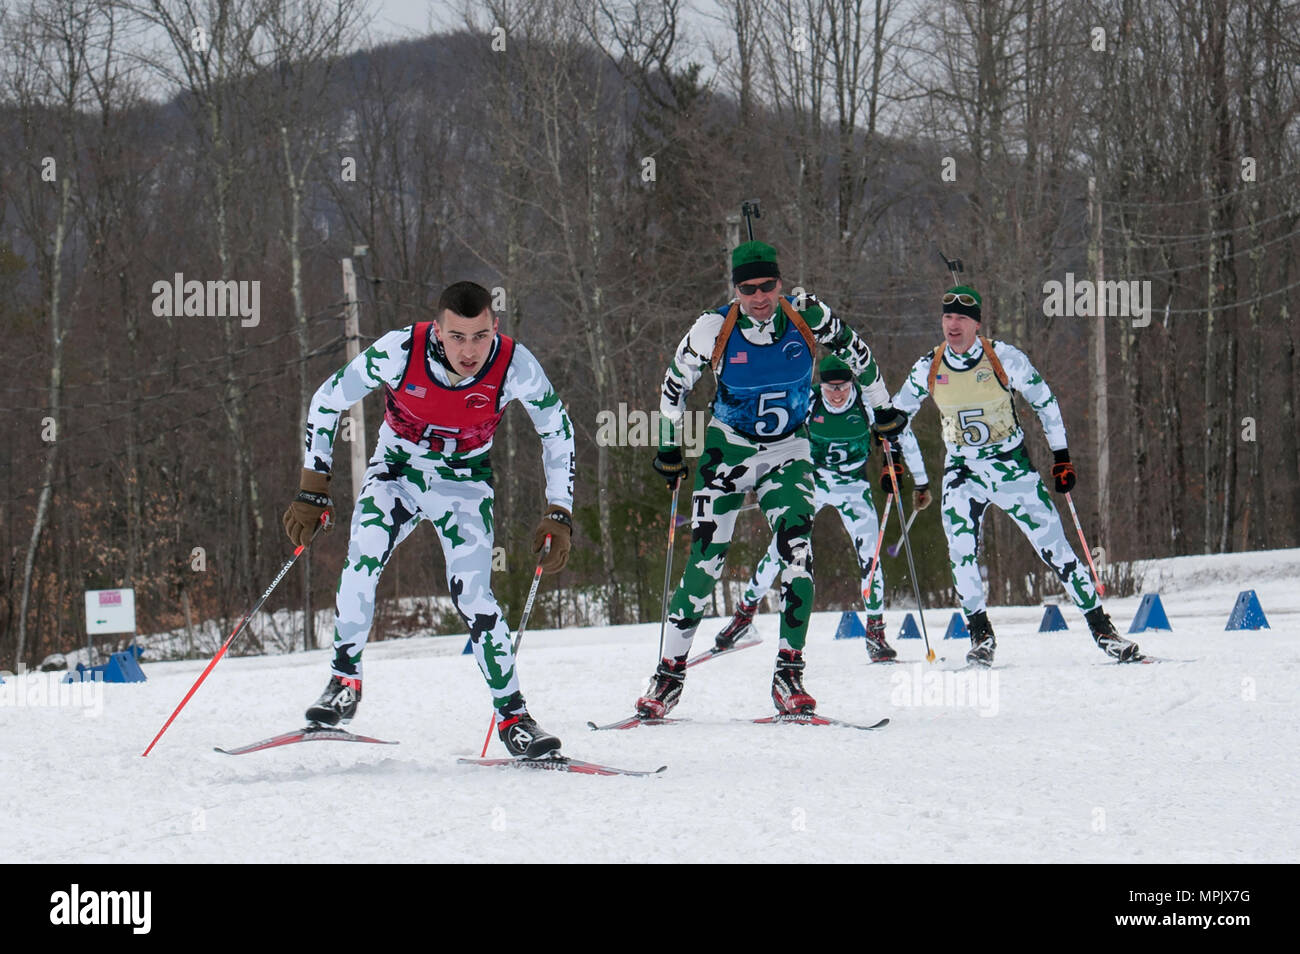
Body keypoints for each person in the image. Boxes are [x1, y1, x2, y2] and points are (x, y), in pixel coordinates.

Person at [282, 281, 576, 757]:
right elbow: (327, 399)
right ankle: (343, 681)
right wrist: (312, 486)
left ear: (495, 327)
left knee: (475, 595)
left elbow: (557, 431)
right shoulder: (400, 350)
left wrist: (559, 510)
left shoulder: (514, 365)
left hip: (464, 480)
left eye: (480, 336)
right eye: (457, 337)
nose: (469, 351)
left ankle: (514, 718)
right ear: (438, 330)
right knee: (361, 561)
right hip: (396, 471)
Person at [637, 241, 909, 718]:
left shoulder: (807, 316)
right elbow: (674, 385)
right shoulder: (713, 328)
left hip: (789, 449)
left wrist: (884, 411)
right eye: (748, 289)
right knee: (705, 565)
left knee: (797, 553)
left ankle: (789, 675)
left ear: (780, 283)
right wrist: (668, 445)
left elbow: (859, 355)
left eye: (767, 286)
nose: (759, 297)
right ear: (736, 290)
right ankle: (668, 676)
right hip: (728, 449)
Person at [890, 285, 1141, 665]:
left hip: (1010, 467)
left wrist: (1061, 456)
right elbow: (897, 415)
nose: (953, 325)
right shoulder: (930, 366)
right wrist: (892, 454)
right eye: (947, 317)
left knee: (1056, 550)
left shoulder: (1003, 358)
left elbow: (1045, 402)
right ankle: (981, 636)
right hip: (962, 472)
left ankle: (1104, 630)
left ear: (976, 324)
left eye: (962, 318)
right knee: (960, 552)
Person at [713, 354, 926, 663]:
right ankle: (744, 616)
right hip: (813, 481)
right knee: (781, 548)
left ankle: (875, 633)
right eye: (830, 388)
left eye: (842, 387)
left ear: (851, 383)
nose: (836, 395)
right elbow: (772, 433)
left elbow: (901, 434)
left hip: (853, 486)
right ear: (821, 385)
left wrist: (912, 476)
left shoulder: (867, 403)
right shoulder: (807, 401)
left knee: (871, 556)